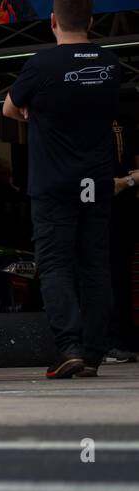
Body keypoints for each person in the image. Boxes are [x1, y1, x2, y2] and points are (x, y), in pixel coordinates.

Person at [3, 0, 121, 378]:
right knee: (95, 267)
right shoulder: (111, 64)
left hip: (54, 184)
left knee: (54, 266)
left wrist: (34, 111)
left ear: (52, 21)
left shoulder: (41, 65)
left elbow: (8, 108)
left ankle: (69, 346)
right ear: (91, 22)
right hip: (97, 182)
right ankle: (94, 351)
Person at [106, 116, 139, 361]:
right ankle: (112, 339)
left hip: (123, 207)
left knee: (120, 274)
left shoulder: (128, 124)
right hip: (96, 206)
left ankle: (121, 338)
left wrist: (127, 181)